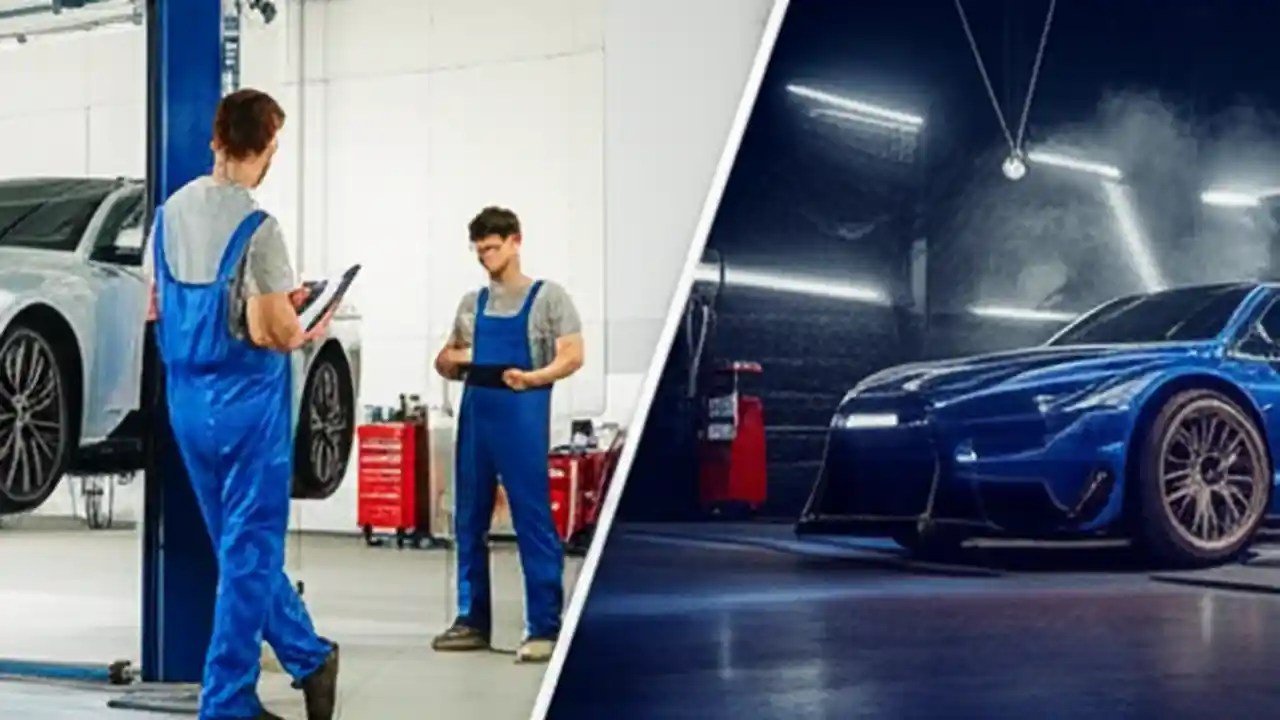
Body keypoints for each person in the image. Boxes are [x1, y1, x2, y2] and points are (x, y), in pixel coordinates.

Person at [148, 88, 339, 720]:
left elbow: (159, 305)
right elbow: (271, 331)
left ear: (216, 139)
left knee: (235, 548)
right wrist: (309, 316)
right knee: (251, 550)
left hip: (185, 400)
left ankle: (309, 655)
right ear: (270, 147)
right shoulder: (260, 229)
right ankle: (227, 699)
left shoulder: (168, 215)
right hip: (246, 404)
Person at [432, 206, 585, 663]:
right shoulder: (470, 304)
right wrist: (453, 360)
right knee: (468, 520)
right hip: (477, 413)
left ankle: (544, 626)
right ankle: (470, 620)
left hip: (522, 409)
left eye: (493, 248)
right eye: (479, 251)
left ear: (516, 242)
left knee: (532, 519)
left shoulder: (548, 298)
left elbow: (573, 355)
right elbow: (446, 356)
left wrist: (535, 378)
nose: (486, 257)